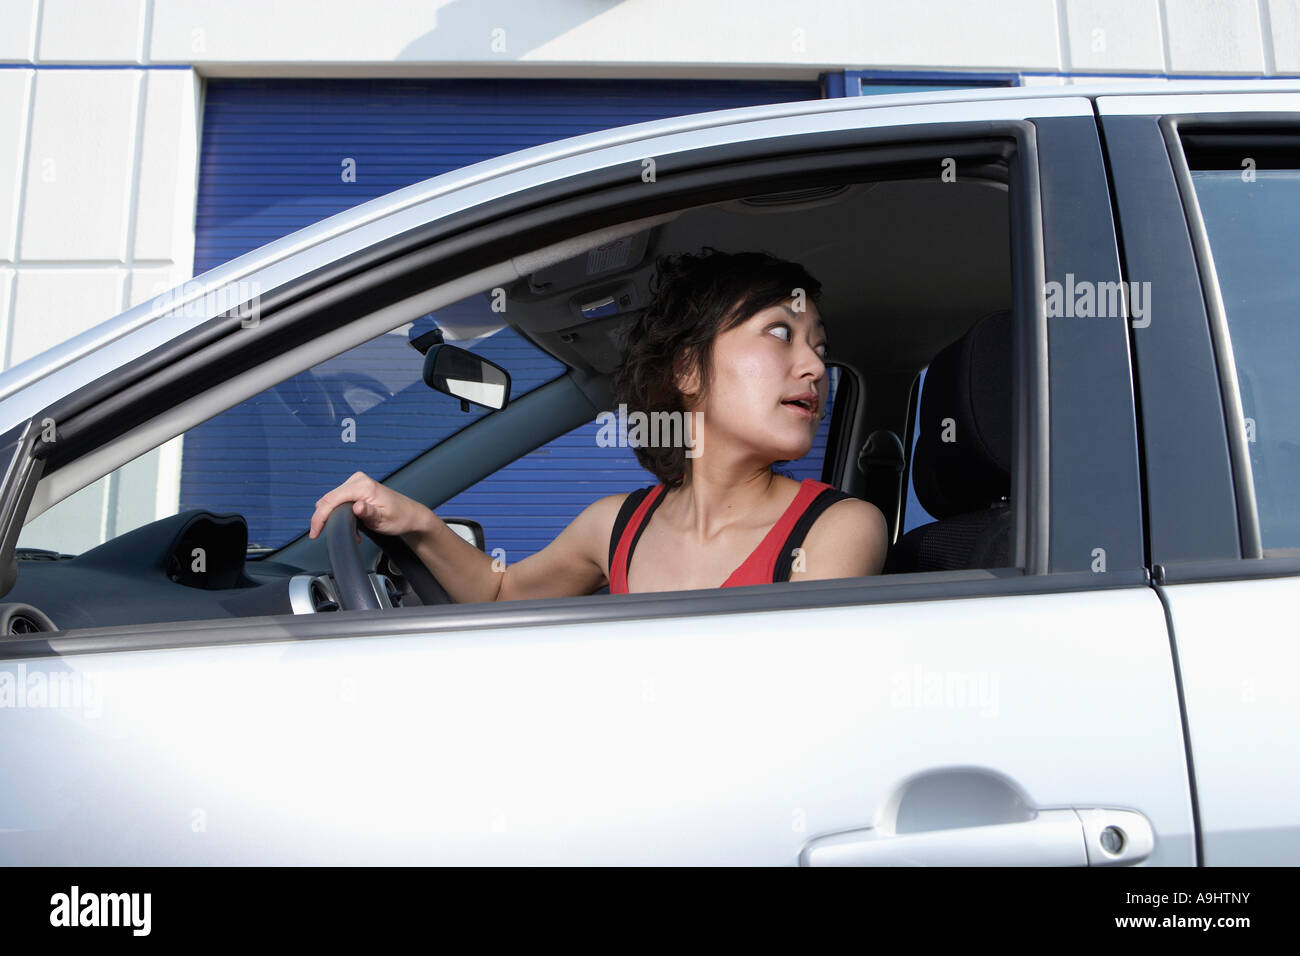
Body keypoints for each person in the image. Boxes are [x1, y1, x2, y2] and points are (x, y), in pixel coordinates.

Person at [308, 248, 888, 601]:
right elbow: (499, 591)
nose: (815, 367)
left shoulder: (839, 529)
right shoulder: (616, 525)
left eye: (819, 347)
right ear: (688, 369)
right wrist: (414, 519)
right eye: (781, 333)